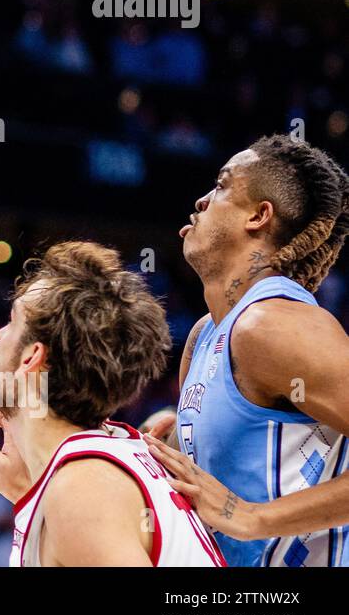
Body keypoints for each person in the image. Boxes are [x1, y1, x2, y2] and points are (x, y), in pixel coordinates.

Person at [145, 136, 349, 566]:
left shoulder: (275, 326)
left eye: (220, 186)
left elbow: (237, 511)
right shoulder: (206, 334)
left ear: (259, 216)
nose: (201, 201)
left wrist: (254, 518)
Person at [0, 242, 224, 567]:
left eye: (13, 321)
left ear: (32, 357)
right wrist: (24, 487)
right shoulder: (114, 450)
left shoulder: (82, 491)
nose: (0, 332)